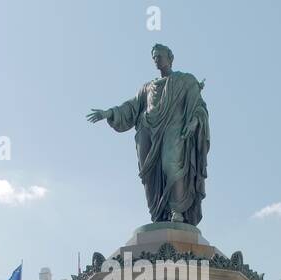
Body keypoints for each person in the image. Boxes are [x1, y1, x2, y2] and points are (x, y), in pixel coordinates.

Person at [87, 44, 210, 225]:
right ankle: (160, 214)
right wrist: (109, 113)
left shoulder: (186, 81)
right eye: (154, 57)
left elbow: (199, 107)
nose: (156, 60)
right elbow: (131, 107)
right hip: (148, 132)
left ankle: (177, 210)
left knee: (171, 166)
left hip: (174, 130)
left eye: (160, 56)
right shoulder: (147, 88)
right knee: (150, 176)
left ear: (170, 57)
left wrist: (194, 123)